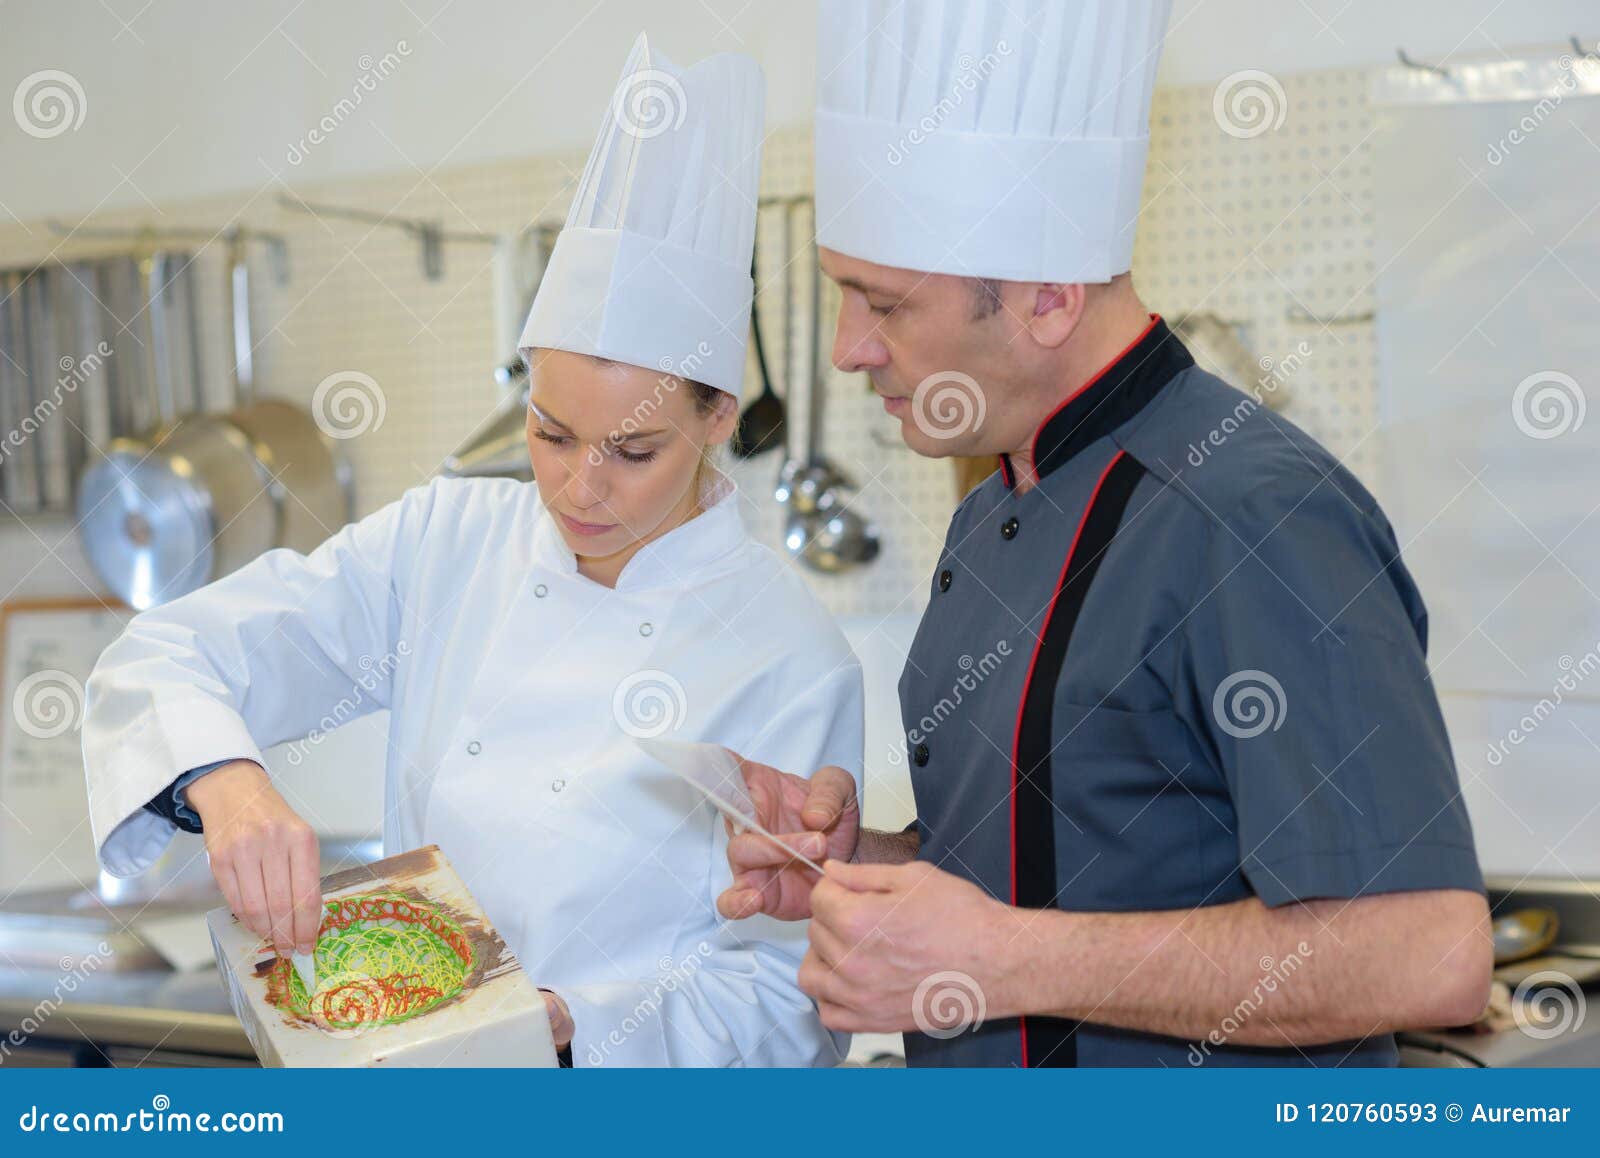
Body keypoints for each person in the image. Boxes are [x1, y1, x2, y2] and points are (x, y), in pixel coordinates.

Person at [718, 0, 1491, 1067]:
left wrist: (1005, 960)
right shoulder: (991, 507)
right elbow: (1069, 868)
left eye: (883, 304)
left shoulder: (1250, 513)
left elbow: (1422, 952)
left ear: (1045, 298)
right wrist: (866, 866)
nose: (850, 349)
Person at [82, 33, 863, 1068]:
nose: (578, 488)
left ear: (720, 416)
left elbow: (782, 1004)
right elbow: (166, 654)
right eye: (548, 432)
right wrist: (228, 782)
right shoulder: (445, 539)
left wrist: (564, 1024)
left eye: (631, 451)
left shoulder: (791, 655)